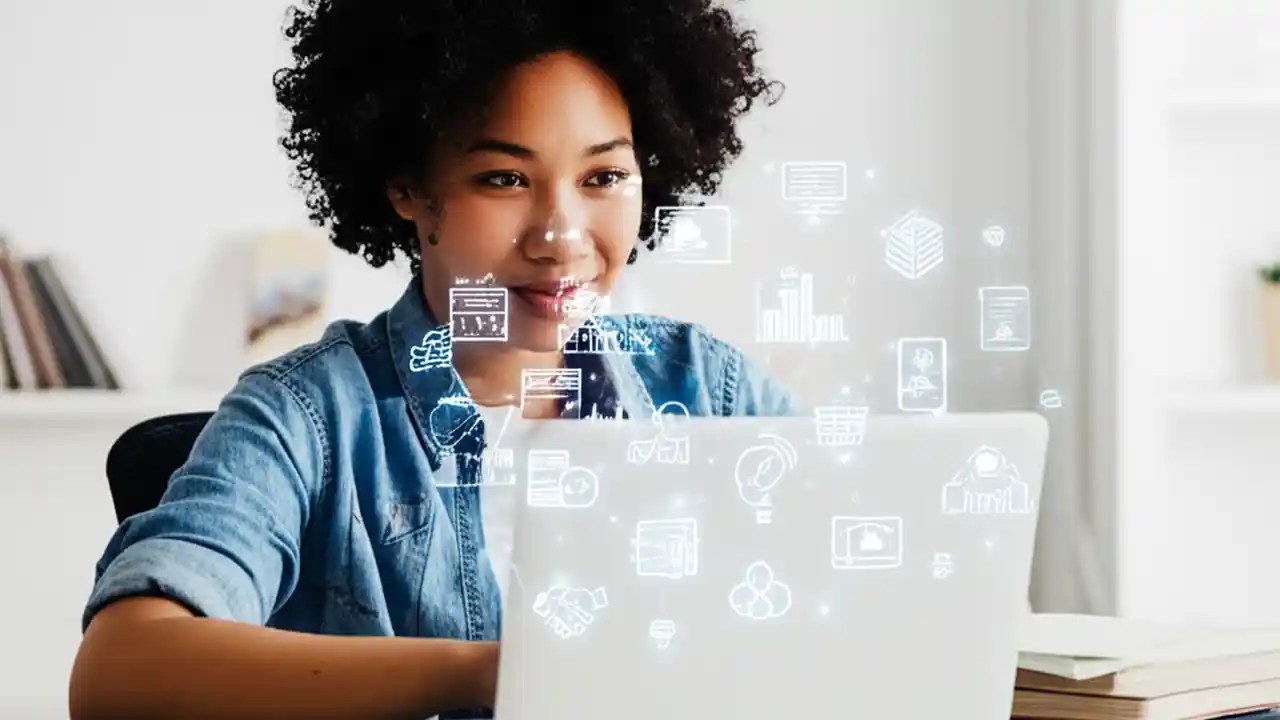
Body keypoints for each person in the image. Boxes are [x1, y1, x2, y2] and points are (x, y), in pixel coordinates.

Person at [68, 1, 792, 718]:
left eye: (602, 179)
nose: (561, 238)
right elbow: (119, 673)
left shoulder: (708, 391)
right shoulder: (308, 419)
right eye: (504, 179)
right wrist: (501, 675)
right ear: (409, 185)